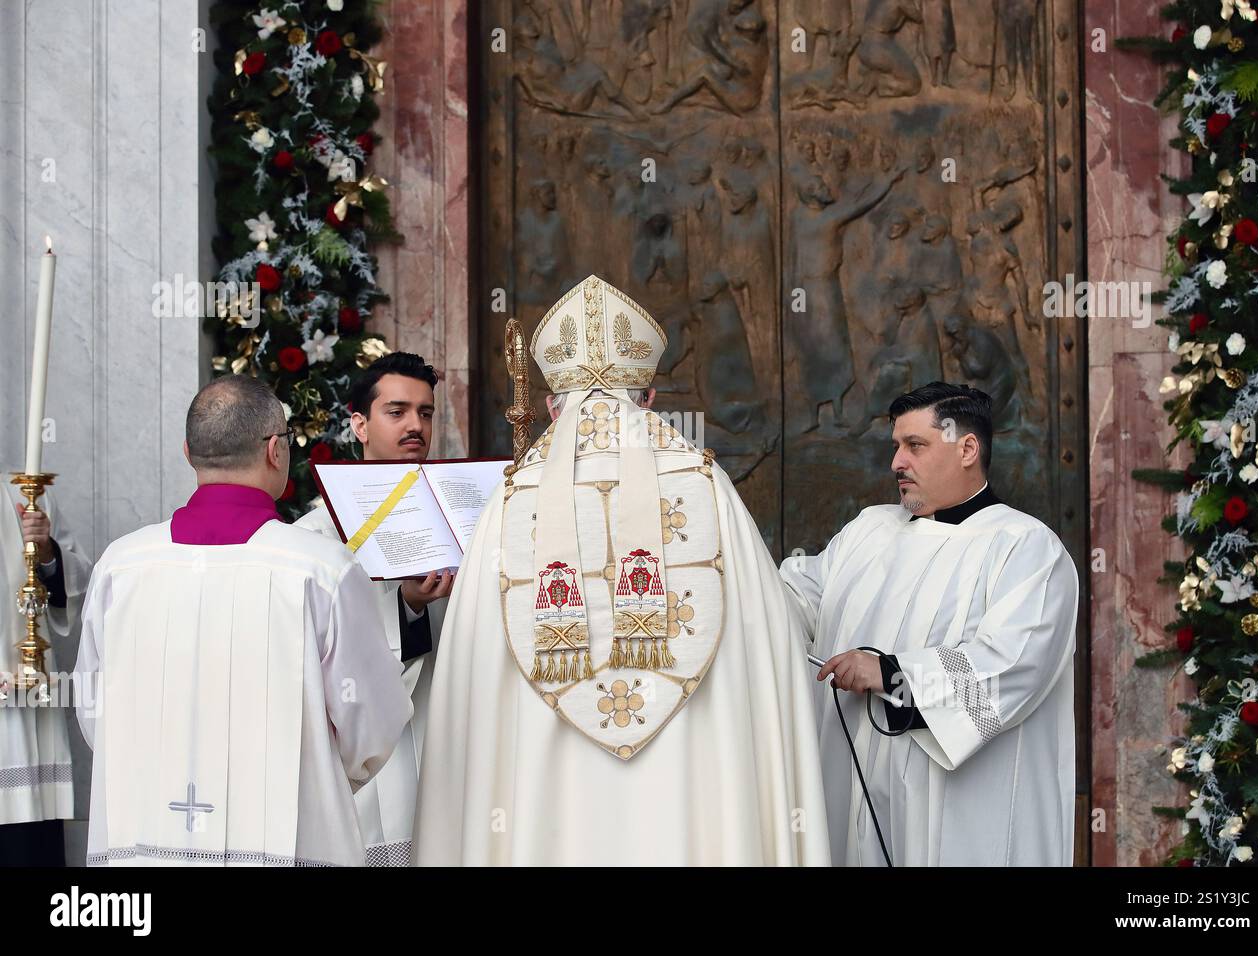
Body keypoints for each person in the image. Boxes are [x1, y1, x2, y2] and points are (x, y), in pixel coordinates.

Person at [413, 275, 829, 865]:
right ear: (650, 397)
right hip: (691, 794)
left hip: (540, 805)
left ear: (554, 405)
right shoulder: (707, 484)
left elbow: (470, 681)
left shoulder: (510, 499)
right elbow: (766, 654)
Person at [74, 375, 410, 866]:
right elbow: (374, 722)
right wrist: (312, 773)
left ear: (188, 452)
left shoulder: (119, 567)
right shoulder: (321, 569)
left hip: (144, 838)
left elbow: (92, 708)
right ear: (276, 451)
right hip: (289, 837)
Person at [781, 382, 1078, 865]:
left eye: (915, 445)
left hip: (961, 812)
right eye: (896, 446)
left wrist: (891, 674)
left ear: (967, 448)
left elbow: (1014, 666)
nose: (897, 462)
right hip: (851, 791)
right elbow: (796, 600)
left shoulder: (1024, 547)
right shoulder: (868, 531)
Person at [296, 351, 452, 866]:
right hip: (362, 768)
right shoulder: (316, 535)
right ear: (359, 424)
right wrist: (407, 609)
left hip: (444, 740)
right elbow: (319, 657)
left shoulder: (460, 517)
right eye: (398, 411)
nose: (416, 426)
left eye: (426, 413)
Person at [0, 477, 91, 866]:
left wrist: (48, 551)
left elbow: (74, 577)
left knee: (24, 843)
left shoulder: (22, 493)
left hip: (19, 703)